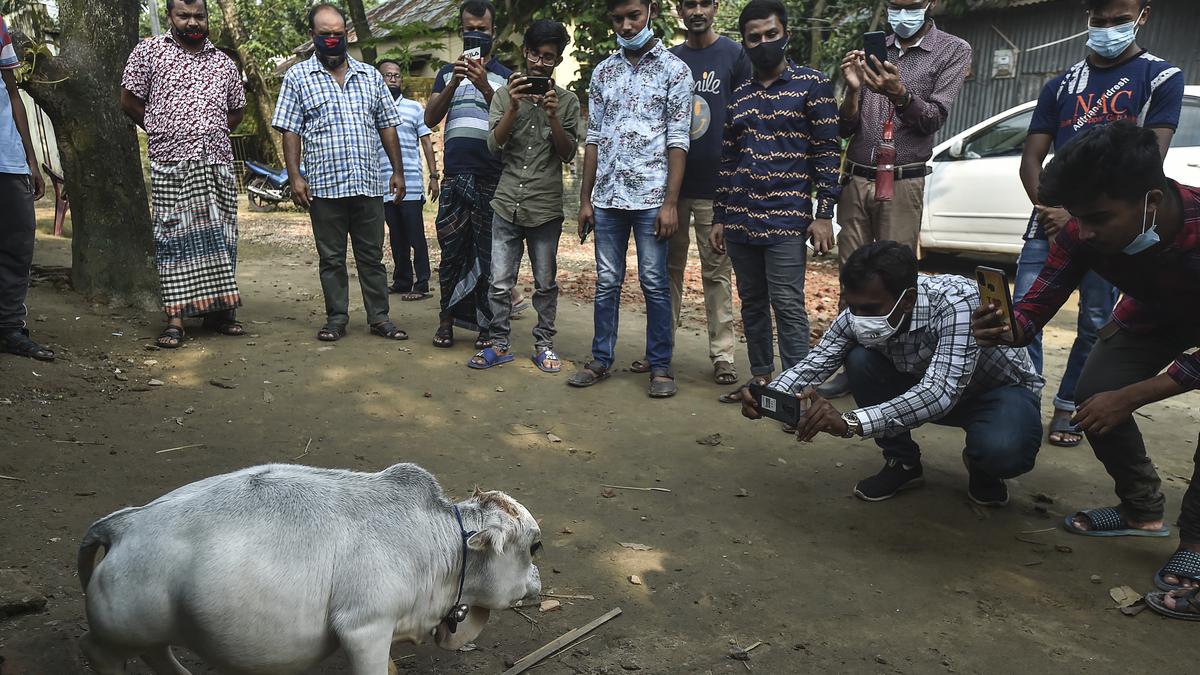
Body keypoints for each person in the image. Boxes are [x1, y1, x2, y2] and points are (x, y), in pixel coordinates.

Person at [972, 121, 1200, 622]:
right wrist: (1008, 328)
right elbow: (1039, 302)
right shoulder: (1081, 229)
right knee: (1094, 392)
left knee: (1116, 399)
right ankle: (1141, 508)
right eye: (1078, 218)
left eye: (1098, 218)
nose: (1085, 231)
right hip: (1151, 314)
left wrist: (1134, 395)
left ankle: (1198, 541)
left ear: (1151, 201)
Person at [743, 241, 1043, 504]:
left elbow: (938, 393)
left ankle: (984, 467)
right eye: (852, 307)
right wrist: (769, 394)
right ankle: (902, 461)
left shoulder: (959, 303)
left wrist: (850, 422)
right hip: (926, 387)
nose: (858, 318)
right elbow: (816, 361)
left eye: (870, 309)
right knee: (860, 360)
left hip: (997, 395)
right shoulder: (862, 308)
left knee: (1002, 450)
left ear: (908, 300)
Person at [1014, 0, 1181, 448]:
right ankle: (1023, 401)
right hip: (1047, 223)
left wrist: (1079, 217)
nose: (1107, 28)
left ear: (1143, 15)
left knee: (1095, 320)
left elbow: (1150, 160)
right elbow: (1031, 159)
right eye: (1099, 20)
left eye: (1119, 20)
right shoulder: (1061, 84)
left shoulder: (1161, 77)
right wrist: (1051, 210)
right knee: (1024, 312)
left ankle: (1069, 406)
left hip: (1112, 229)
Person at [819, 0, 971, 398]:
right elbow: (845, 127)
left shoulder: (953, 50)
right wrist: (853, 92)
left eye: (911, 6)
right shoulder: (875, 48)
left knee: (897, 281)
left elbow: (933, 119)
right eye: (893, 6)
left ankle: (895, 368)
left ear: (929, 3)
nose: (902, 14)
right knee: (851, 276)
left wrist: (900, 94)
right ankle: (851, 365)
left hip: (902, 181)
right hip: (857, 177)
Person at [709, 0, 839, 411]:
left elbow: (827, 151)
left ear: (786, 35)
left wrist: (824, 215)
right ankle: (762, 380)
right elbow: (728, 160)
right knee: (752, 303)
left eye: (771, 34)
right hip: (741, 220)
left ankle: (796, 393)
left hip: (786, 218)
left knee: (787, 304)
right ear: (744, 43)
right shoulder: (739, 96)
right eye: (754, 38)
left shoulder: (813, 85)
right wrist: (719, 216)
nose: (763, 43)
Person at [567, 0, 692, 399]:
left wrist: (670, 203)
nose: (625, 25)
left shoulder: (675, 70)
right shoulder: (604, 71)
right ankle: (600, 359)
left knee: (654, 281)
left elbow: (678, 140)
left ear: (650, 10)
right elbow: (594, 139)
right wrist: (585, 199)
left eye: (633, 16)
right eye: (618, 19)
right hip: (607, 199)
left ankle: (660, 365)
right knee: (607, 281)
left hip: (653, 198)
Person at [271, 3, 409, 342]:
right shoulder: (298, 77)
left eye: (337, 34)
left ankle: (380, 318)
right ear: (312, 36)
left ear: (347, 34)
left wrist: (398, 171)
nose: (332, 40)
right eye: (324, 35)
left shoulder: (371, 76)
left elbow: (387, 125)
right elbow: (290, 130)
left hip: (367, 183)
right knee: (331, 259)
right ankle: (336, 318)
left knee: (372, 257)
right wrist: (295, 176)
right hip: (324, 187)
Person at [633, 0, 750, 388]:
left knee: (717, 273)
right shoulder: (670, 59)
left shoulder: (735, 55)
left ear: (715, 7)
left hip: (718, 190)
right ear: (678, 11)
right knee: (666, 272)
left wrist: (737, 184)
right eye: (689, 4)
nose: (697, 10)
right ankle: (659, 351)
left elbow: (746, 120)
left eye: (704, 2)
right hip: (672, 189)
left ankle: (723, 355)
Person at [120, 0, 247, 349]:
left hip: (217, 162)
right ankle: (175, 320)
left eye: (199, 16)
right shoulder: (148, 52)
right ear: (170, 17)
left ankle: (219, 313)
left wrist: (214, 131)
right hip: (170, 162)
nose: (193, 22)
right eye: (184, 15)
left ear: (207, 17)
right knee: (173, 237)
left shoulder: (223, 62)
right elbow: (128, 100)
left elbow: (237, 110)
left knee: (220, 236)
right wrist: (160, 128)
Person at [471, 20, 580, 373]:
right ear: (525, 52)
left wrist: (552, 116)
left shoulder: (567, 102)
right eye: (534, 54)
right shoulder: (505, 95)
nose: (539, 63)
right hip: (506, 203)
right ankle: (498, 343)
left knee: (545, 284)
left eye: (548, 58)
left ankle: (544, 345)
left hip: (544, 207)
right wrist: (513, 108)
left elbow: (567, 153)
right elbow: (493, 145)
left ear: (557, 60)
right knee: (500, 282)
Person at [424, 0, 518, 351]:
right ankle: (446, 321)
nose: (476, 34)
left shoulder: (507, 76)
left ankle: (485, 325)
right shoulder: (447, 72)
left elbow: (512, 124)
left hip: (492, 176)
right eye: (470, 29)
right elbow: (430, 118)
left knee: (487, 255)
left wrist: (484, 86)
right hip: (455, 176)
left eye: (482, 29)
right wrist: (455, 82)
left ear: (493, 31)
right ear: (461, 30)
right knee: (451, 251)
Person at [0, 13, 51, 361]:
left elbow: (12, 92)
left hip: (8, 157)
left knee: (17, 245)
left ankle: (9, 329)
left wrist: (30, 158)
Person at [376, 59, 439, 301]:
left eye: (397, 75)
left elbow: (426, 142)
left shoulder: (414, 108)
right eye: (388, 75)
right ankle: (402, 280)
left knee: (415, 236)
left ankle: (421, 283)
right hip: (384, 185)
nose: (393, 78)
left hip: (411, 185)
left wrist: (433, 176)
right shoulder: (373, 110)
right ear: (379, 80)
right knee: (396, 236)